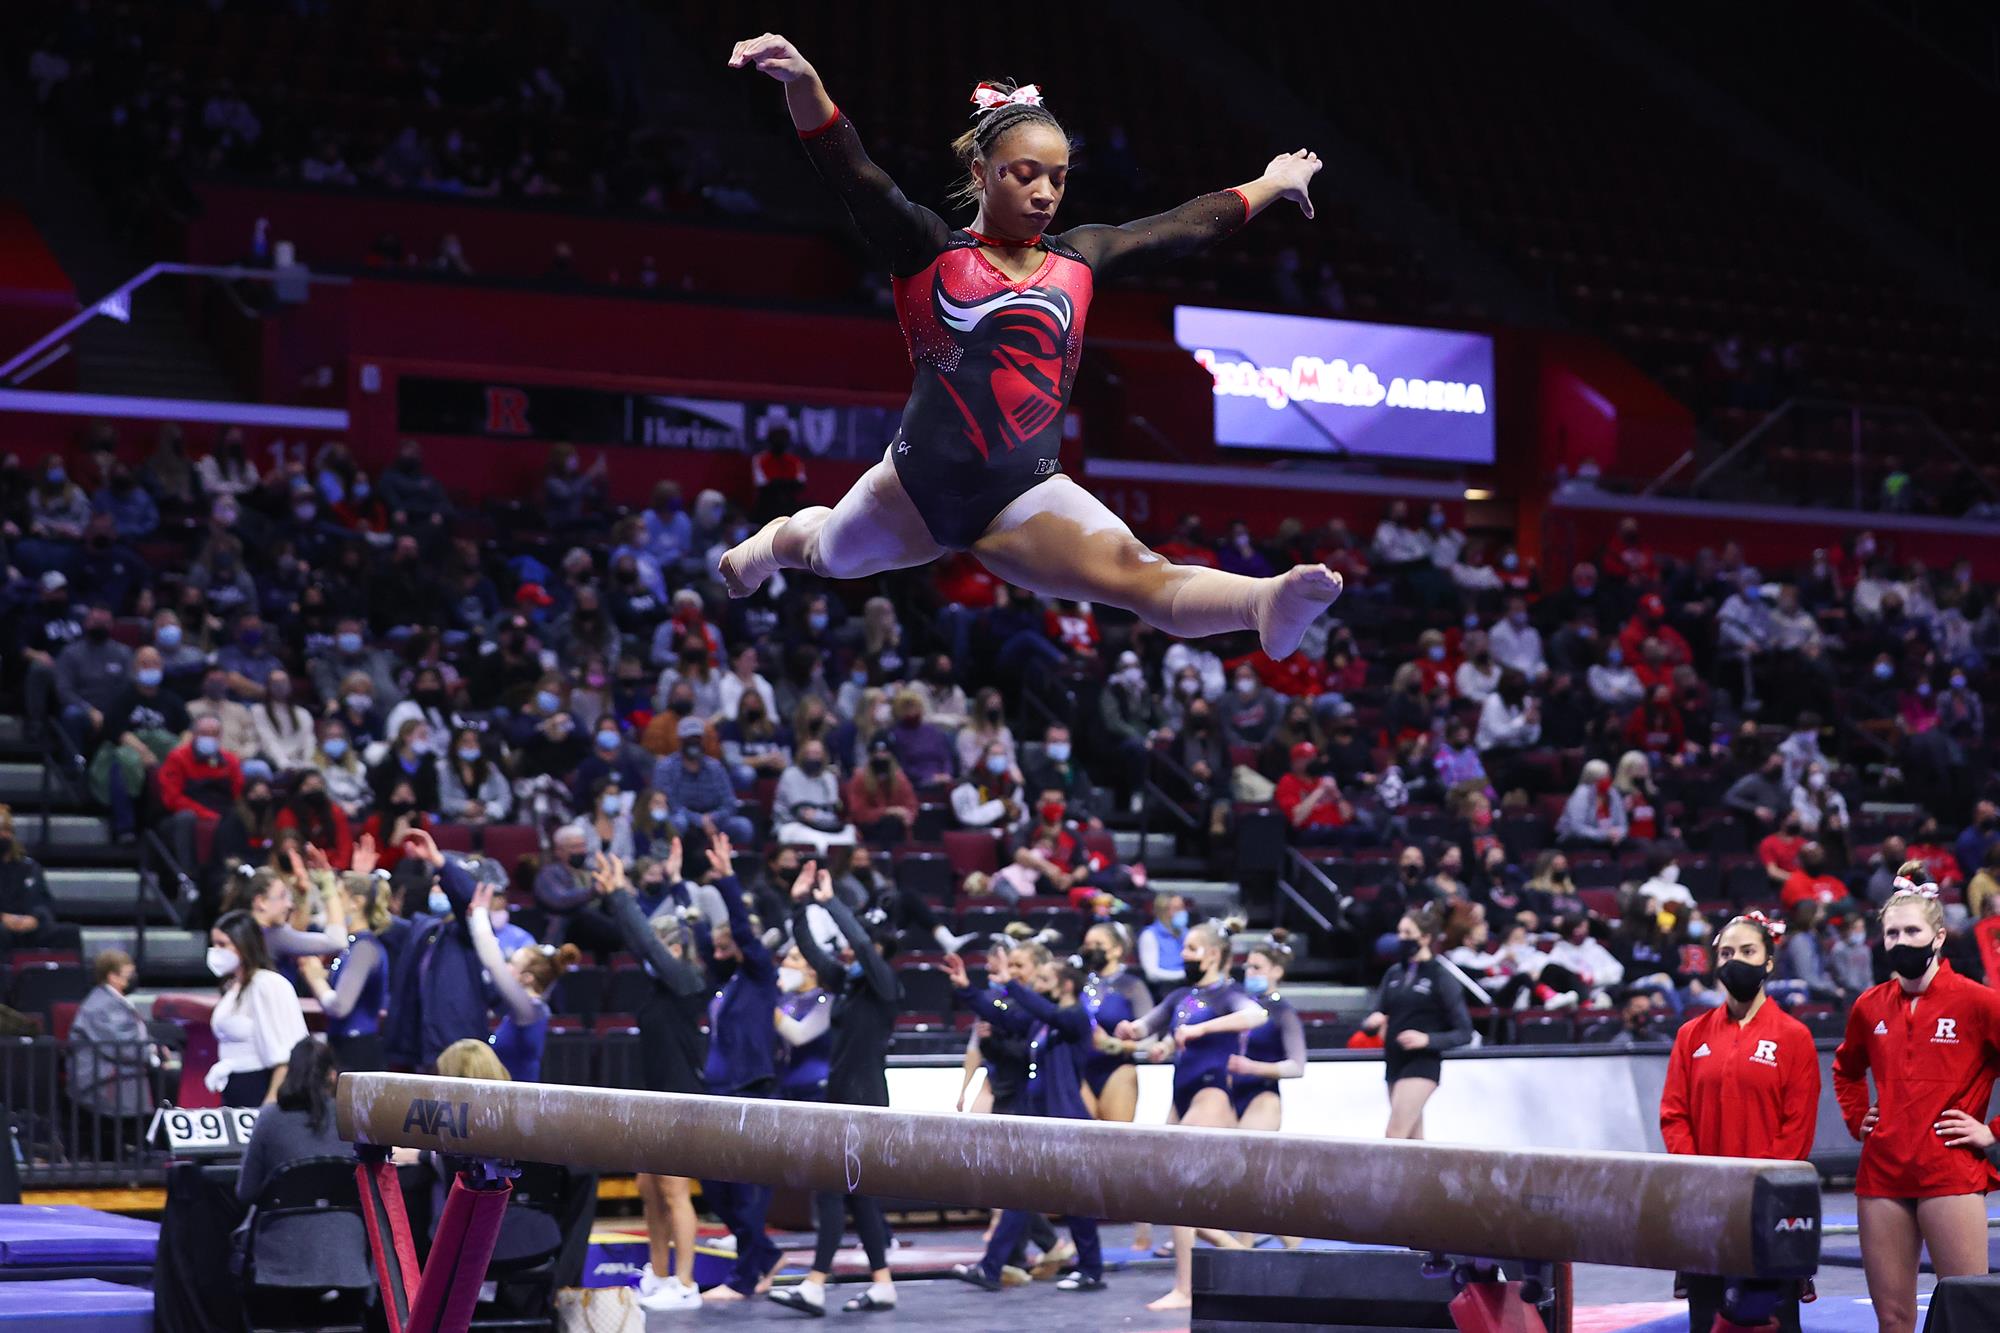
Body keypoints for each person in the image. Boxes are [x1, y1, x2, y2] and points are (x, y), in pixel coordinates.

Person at [719, 37, 1342, 661]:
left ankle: (1263, 601)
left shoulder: (1081, 258)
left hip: (1023, 494)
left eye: (1059, 178)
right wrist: (804, 82)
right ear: (981, 172)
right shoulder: (930, 251)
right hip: (912, 490)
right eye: (1025, 174)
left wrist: (1272, 182)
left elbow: (1180, 229)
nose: (1045, 193)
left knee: (1139, 573)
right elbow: (852, 173)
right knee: (823, 551)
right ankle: (771, 542)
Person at [1834, 870, 2000, 1333]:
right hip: (1883, 1177)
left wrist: (1992, 1131)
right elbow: (1846, 1069)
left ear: (1939, 937)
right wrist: (1856, 1119)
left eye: (1912, 931)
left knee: (1969, 1316)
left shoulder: (1978, 1002)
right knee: (1892, 1320)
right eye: (1892, 933)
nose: (1902, 940)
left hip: (1950, 1173)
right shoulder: (1869, 1006)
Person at [1659, 912, 1817, 1333]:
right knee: (1706, 1321)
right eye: (1727, 953)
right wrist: (1702, 1176)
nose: (1736, 961)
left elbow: (1797, 1127)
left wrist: (1756, 1187)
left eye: (1748, 951)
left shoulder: (1794, 1036)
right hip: (1704, 1202)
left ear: (1768, 961)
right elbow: (1674, 1115)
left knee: (1771, 1322)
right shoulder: (1691, 1035)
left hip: (1768, 1205)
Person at [768, 866, 903, 1315]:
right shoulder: (848, 984)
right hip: (843, 1098)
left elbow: (861, 943)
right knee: (858, 1195)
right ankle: (882, 1284)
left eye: (860, 944)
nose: (848, 949)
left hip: (864, 1102)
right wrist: (800, 904)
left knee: (831, 1190)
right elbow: (808, 948)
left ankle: (815, 1283)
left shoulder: (885, 987)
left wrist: (831, 904)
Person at [1115, 921, 1269, 1311]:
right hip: (1181, 1095)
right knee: (1167, 1194)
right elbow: (1150, 1025)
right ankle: (1235, 1251)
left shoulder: (1228, 994)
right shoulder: (1181, 995)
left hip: (1211, 1092)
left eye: (1191, 949)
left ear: (1214, 955)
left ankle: (1186, 1289)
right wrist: (1135, 1032)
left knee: (1181, 1191)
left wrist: (1202, 1030)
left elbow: (1256, 1017)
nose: (1184, 956)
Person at [947, 950, 1106, 1295]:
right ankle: (991, 1268)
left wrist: (1012, 986)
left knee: (1075, 1198)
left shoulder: (1077, 1018)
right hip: (1042, 1119)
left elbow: (1046, 1010)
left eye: (1045, 980)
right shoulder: (1042, 1021)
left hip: (1067, 1121)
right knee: (1021, 1194)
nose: (1037, 986)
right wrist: (968, 991)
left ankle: (1091, 1269)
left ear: (1065, 985)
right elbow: (1004, 1018)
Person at [599, 855, 709, 1314]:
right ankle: (660, 1274)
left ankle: (685, 1282)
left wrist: (622, 895)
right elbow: (641, 943)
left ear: (677, 950)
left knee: (674, 1190)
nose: (654, 958)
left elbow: (647, 941)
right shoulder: (660, 989)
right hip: (653, 1099)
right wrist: (615, 897)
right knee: (648, 1188)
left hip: (680, 1101)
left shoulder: (687, 982)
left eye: (664, 949)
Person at [698, 834, 785, 1301]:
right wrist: (679, 885)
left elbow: (744, 933)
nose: (716, 952)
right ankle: (765, 1255)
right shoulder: (728, 984)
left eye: (723, 944)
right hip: (719, 1092)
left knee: (745, 1194)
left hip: (749, 1088)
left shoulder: (758, 973)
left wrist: (729, 879)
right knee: (714, 1190)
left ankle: (746, 1276)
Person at [1360, 907, 1474, 1140]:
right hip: (1394, 1060)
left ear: (1425, 937)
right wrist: (1372, 1023)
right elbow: (1374, 1015)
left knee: (1395, 1134)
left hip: (1422, 1063)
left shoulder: (1440, 977)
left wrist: (1427, 1039)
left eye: (1407, 932)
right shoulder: (1394, 973)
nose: (1401, 938)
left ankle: (1384, 1178)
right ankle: (1423, 1178)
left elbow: (1465, 1032)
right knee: (1413, 1139)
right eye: (1399, 932)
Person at [296, 853, 392, 1071]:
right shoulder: (351, 946)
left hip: (358, 1050)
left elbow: (340, 1006)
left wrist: (316, 981)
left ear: (356, 903)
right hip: (343, 1046)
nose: (331, 905)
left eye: (338, 896)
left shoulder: (364, 948)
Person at [204, 910, 309, 1107]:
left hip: (260, 1086)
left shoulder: (267, 984)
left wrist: (270, 1104)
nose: (216, 951)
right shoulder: (233, 986)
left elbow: (286, 1054)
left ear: (244, 944)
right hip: (235, 1087)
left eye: (222, 944)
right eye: (214, 944)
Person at [469, 882, 570, 1083]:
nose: (506, 968)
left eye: (512, 964)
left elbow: (494, 965)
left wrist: (479, 916)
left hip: (520, 1106)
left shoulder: (531, 1011)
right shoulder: (523, 1010)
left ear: (528, 978)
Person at [236, 1037, 346, 1203]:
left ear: (288, 1072)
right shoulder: (353, 1117)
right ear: (332, 1075)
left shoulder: (269, 1118)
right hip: (349, 1226)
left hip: (283, 1226)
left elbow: (246, 1192)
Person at [68, 950, 159, 1146]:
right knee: (164, 1078)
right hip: (99, 1074)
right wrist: (151, 1053)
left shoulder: (112, 1000)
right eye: (128, 975)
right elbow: (121, 1044)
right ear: (112, 976)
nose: (133, 978)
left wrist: (153, 1048)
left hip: (113, 1066)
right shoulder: (101, 1005)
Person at [1137, 892, 1189, 988]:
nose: (1182, 912)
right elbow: (1152, 974)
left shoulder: (1185, 933)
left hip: (1186, 986)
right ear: (1163, 912)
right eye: (1177, 909)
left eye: (1183, 908)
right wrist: (1185, 975)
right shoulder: (1149, 935)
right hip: (1163, 989)